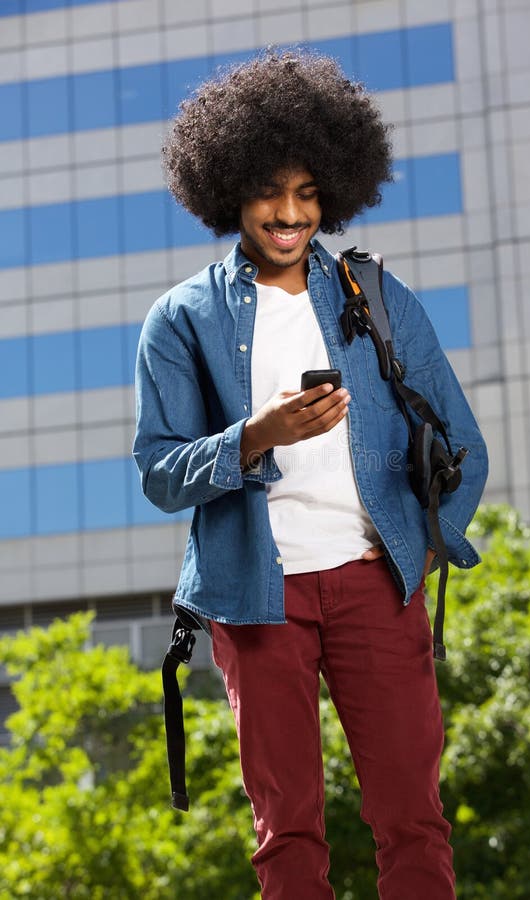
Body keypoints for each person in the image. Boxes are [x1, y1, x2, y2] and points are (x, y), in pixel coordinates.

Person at [133, 49, 488, 900]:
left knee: (413, 815)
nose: (288, 214)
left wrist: (429, 545)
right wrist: (254, 436)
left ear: (333, 190)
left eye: (306, 193)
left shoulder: (378, 297)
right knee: (286, 832)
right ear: (229, 192)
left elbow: (460, 439)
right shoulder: (181, 318)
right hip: (258, 593)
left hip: (376, 580)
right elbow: (159, 471)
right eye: (267, 193)